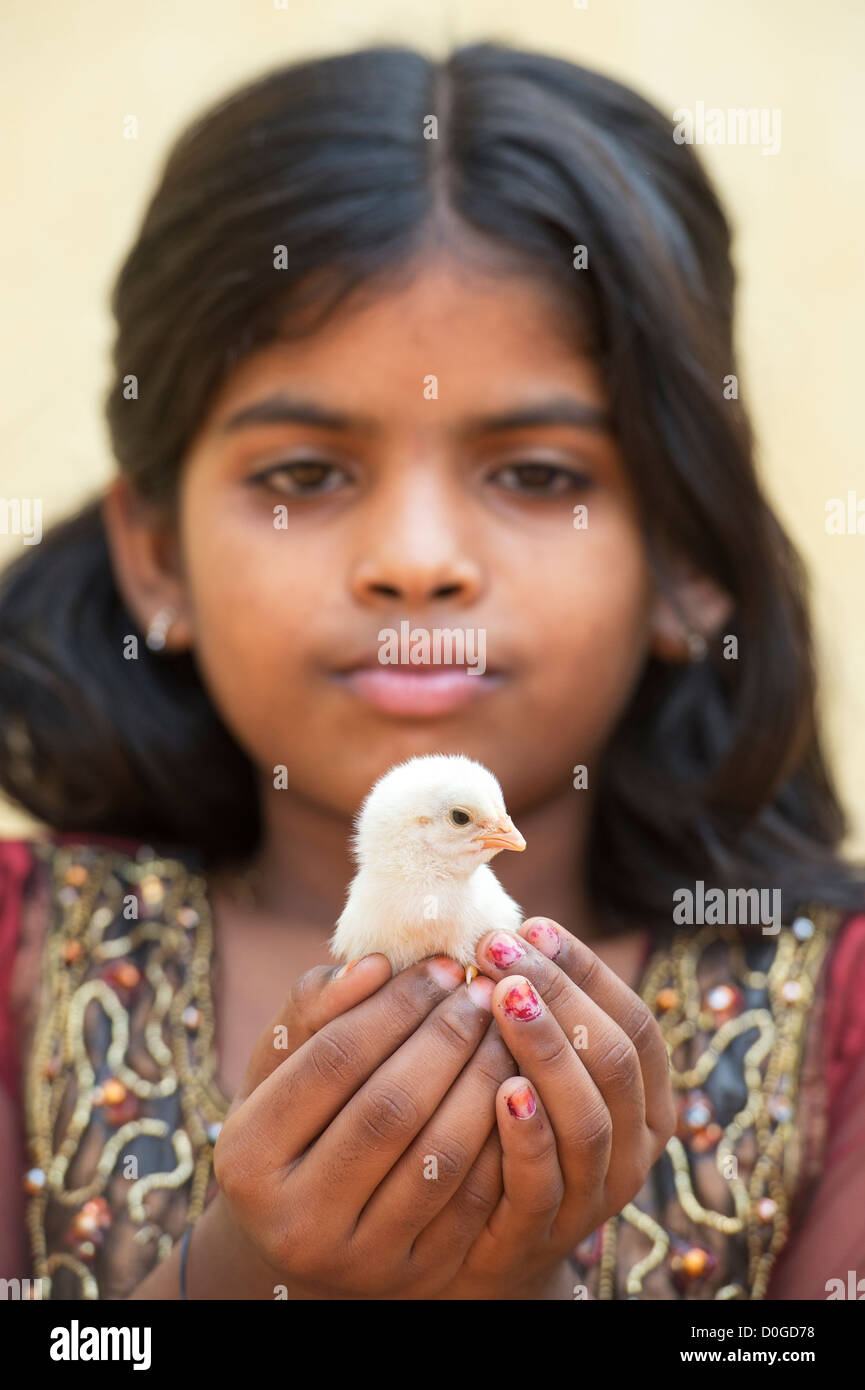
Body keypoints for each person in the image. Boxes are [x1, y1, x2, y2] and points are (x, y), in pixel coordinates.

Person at [1, 43, 863, 1301]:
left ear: (687, 556)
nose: (416, 563)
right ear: (155, 555)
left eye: (538, 476)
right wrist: (232, 1284)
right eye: (304, 475)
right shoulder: (23, 961)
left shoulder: (834, 1012)